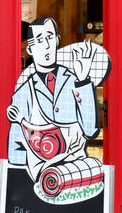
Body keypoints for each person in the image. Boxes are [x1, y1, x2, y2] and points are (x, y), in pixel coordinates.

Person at [6, 16, 108, 177]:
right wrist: (20, 182)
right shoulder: (24, 92)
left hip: (76, 170)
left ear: (57, 41)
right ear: (30, 49)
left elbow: (90, 130)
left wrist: (83, 80)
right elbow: (16, 146)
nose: (46, 45)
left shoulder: (75, 81)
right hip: (41, 175)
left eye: (49, 38)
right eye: (40, 40)